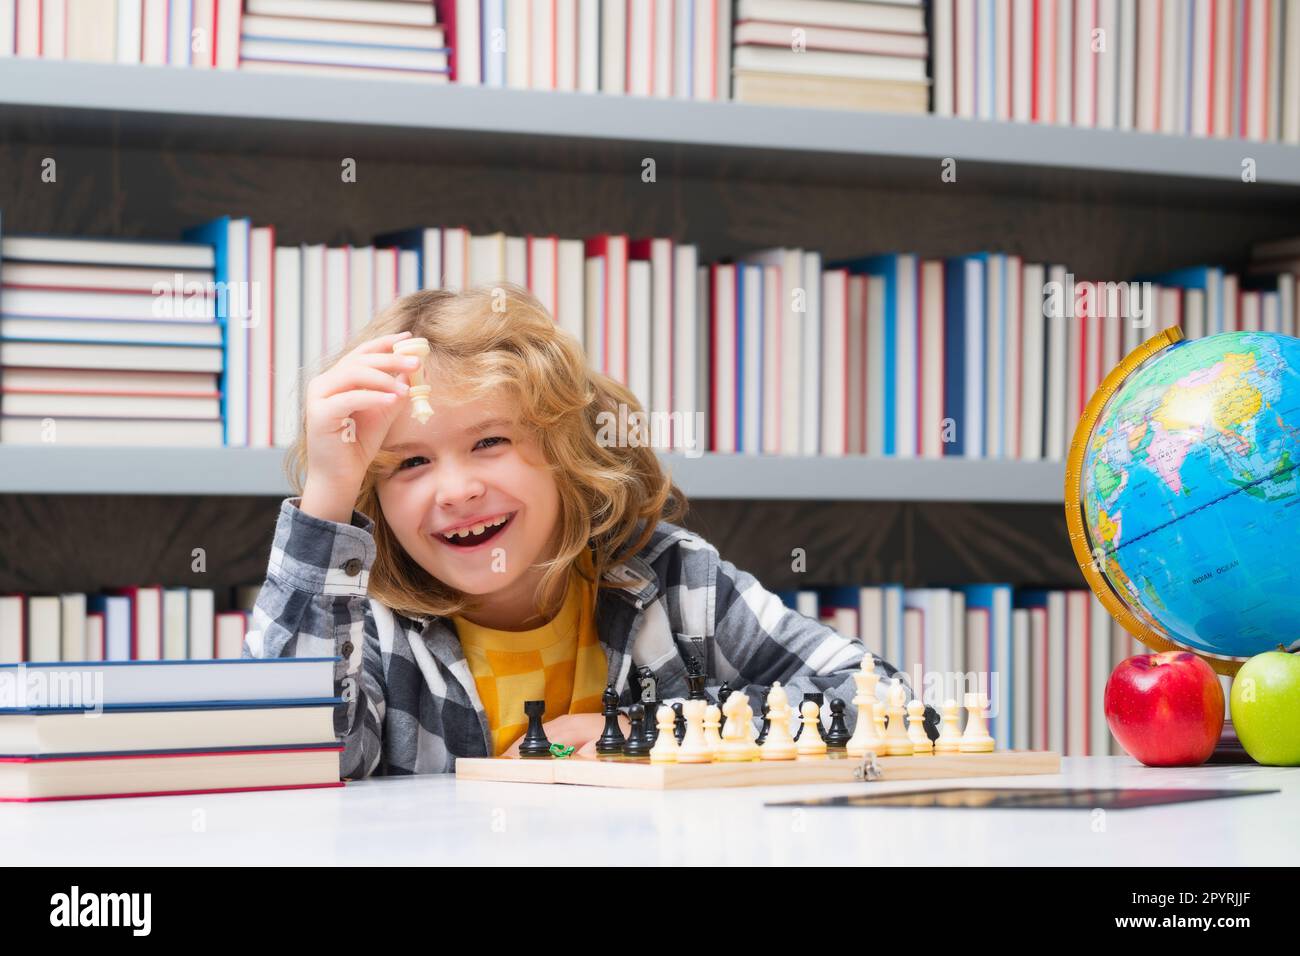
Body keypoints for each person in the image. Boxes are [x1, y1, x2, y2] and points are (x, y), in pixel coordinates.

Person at [244, 283, 934, 777]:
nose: (457, 489)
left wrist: (637, 730)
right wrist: (328, 496)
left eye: (490, 442)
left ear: (566, 452)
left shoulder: (673, 581)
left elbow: (886, 700)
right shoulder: (366, 623)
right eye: (411, 464)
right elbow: (278, 757)